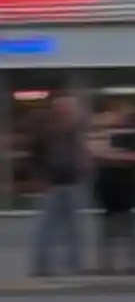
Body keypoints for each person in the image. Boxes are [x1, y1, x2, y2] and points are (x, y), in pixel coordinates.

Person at [29, 95, 90, 277]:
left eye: (70, 109)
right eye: (66, 108)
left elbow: (82, 153)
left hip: (73, 183)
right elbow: (35, 157)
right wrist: (39, 179)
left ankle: (75, 265)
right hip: (53, 184)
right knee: (47, 228)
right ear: (58, 110)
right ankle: (43, 265)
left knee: (75, 228)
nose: (69, 112)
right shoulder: (48, 130)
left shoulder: (74, 131)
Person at [90, 100, 135, 274]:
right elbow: (96, 154)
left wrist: (113, 156)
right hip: (107, 188)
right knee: (107, 230)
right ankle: (106, 264)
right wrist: (120, 157)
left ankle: (133, 264)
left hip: (129, 187)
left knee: (132, 229)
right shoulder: (104, 134)